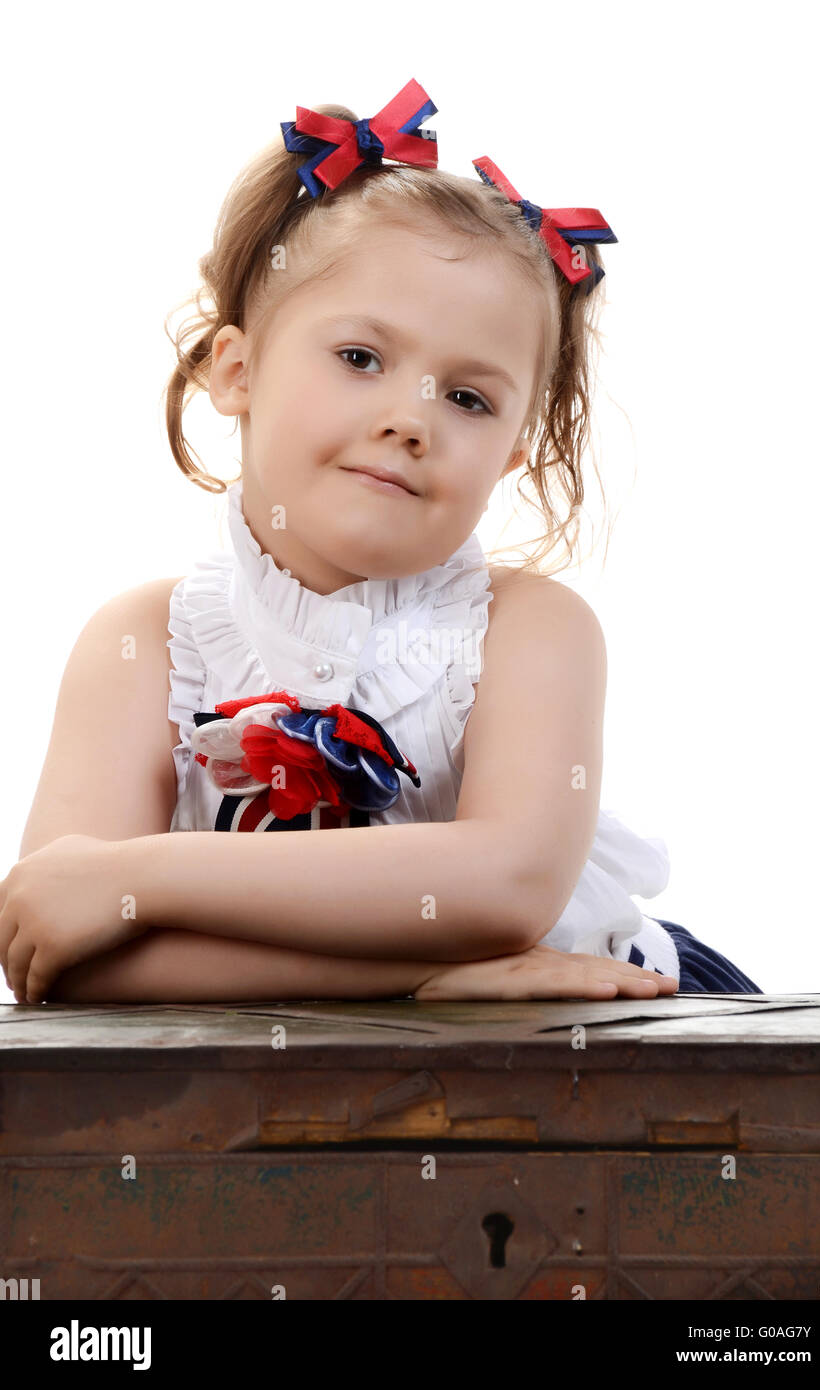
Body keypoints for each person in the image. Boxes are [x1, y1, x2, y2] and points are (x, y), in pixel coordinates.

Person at [1, 80, 760, 1005]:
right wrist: (426, 975)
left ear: (513, 449)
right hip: (362, 1051)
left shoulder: (529, 629)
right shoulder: (142, 643)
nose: (411, 420)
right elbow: (62, 954)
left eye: (468, 398)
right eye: (361, 359)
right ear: (237, 370)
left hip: (604, 1012)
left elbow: (505, 888)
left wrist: (136, 879)